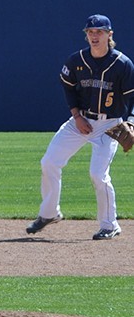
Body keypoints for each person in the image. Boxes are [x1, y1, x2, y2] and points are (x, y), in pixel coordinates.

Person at [27, 14, 134, 240]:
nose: (94, 36)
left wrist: (131, 121)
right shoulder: (76, 60)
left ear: (109, 35)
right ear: (86, 35)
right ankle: (49, 213)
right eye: (90, 32)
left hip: (109, 125)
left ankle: (109, 224)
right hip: (80, 121)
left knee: (97, 173)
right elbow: (68, 87)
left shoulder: (123, 65)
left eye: (99, 32)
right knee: (49, 162)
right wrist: (76, 116)